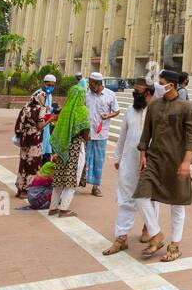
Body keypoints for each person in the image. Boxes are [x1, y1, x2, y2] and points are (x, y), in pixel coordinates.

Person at [134, 69, 192, 262]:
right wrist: (143, 153)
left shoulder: (186, 107)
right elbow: (146, 132)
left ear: (171, 84)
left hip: (177, 161)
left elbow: (191, 136)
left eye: (161, 82)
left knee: (177, 203)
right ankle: (156, 234)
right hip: (154, 160)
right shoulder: (154, 106)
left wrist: (187, 162)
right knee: (141, 195)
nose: (158, 85)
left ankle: (175, 244)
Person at [102, 79, 153, 253]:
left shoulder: (156, 111)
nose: (135, 96)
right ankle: (121, 237)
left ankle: (149, 229)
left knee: (151, 198)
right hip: (129, 162)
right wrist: (117, 157)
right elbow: (123, 135)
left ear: (148, 93)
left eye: (138, 93)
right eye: (134, 92)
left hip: (151, 162)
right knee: (125, 198)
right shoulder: (131, 111)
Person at [47, 82, 91, 218]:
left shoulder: (65, 109)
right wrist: (88, 136)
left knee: (59, 178)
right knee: (72, 179)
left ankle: (53, 207)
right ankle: (64, 209)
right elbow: (85, 133)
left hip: (62, 148)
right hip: (75, 149)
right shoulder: (81, 109)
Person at [13, 81, 57, 198]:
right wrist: (51, 119)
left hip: (24, 138)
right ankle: (27, 190)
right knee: (32, 165)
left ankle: (20, 188)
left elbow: (19, 124)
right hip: (34, 140)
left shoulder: (26, 107)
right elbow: (40, 126)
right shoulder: (40, 109)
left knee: (23, 163)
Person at [80, 71, 120, 196]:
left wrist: (108, 115)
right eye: (89, 83)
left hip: (101, 134)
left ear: (98, 84)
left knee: (99, 161)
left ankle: (96, 186)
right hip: (87, 132)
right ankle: (80, 181)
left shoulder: (110, 95)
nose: (89, 86)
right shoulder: (86, 95)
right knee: (84, 158)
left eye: (91, 84)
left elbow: (117, 111)